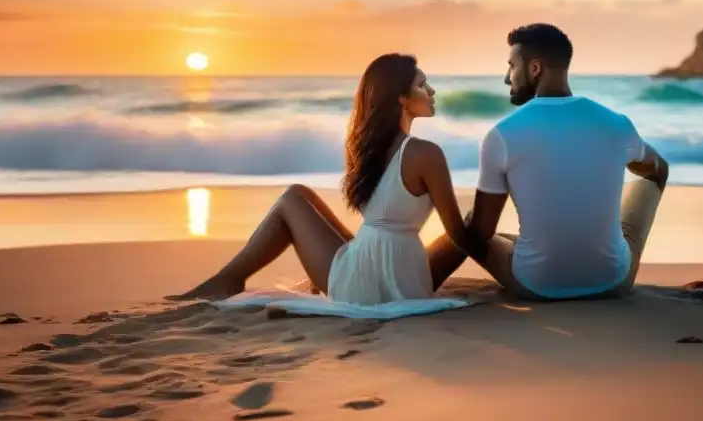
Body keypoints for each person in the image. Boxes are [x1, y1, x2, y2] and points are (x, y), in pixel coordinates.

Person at [170, 53, 475, 304]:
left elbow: (454, 238)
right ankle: (228, 279)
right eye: (423, 85)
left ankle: (228, 279)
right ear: (401, 99)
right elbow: (459, 236)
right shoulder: (426, 154)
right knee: (303, 196)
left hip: (363, 287)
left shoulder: (369, 149)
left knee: (292, 198)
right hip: (408, 280)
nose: (432, 91)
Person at [429, 23, 670, 300]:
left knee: (474, 222)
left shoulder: (502, 135)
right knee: (655, 178)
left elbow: (482, 234)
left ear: (535, 68)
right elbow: (656, 166)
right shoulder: (616, 124)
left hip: (536, 285)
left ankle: (414, 286)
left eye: (512, 66)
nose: (508, 78)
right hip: (612, 281)